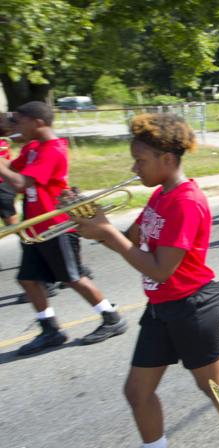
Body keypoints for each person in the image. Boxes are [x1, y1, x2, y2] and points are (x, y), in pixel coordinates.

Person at [72, 113, 219, 448]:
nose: (133, 167)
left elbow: (161, 269)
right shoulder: (160, 196)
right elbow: (130, 239)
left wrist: (109, 234)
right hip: (162, 307)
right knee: (137, 391)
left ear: (167, 160)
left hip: (193, 306)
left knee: (214, 388)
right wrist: (93, 219)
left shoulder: (187, 202)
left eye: (140, 160)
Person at [0, 101, 127, 356]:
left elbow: (20, 183)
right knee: (27, 279)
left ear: (38, 123)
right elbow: (11, 174)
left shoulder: (53, 150)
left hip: (56, 225)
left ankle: (112, 318)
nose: (16, 126)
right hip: (35, 226)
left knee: (73, 278)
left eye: (20, 121)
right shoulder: (33, 147)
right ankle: (50, 329)